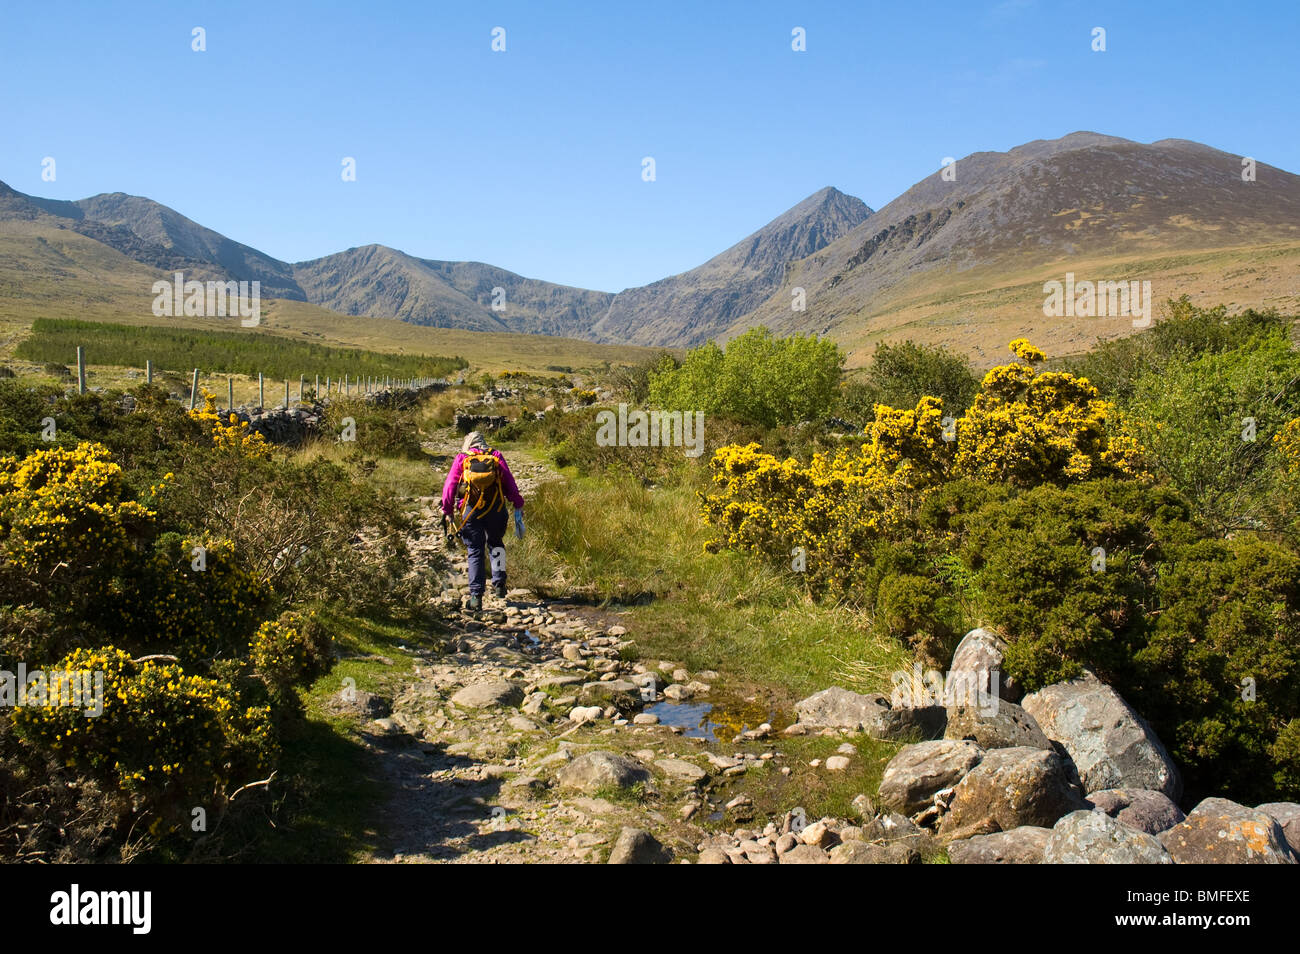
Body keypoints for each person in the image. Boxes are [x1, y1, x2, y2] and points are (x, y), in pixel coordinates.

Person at [441, 431, 525, 613]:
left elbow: (449, 486)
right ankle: (500, 585)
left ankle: (475, 597)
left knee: (474, 550)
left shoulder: (462, 458)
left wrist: (447, 510)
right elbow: (509, 481)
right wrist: (518, 503)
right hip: (496, 508)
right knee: (496, 544)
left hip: (470, 510)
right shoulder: (495, 455)